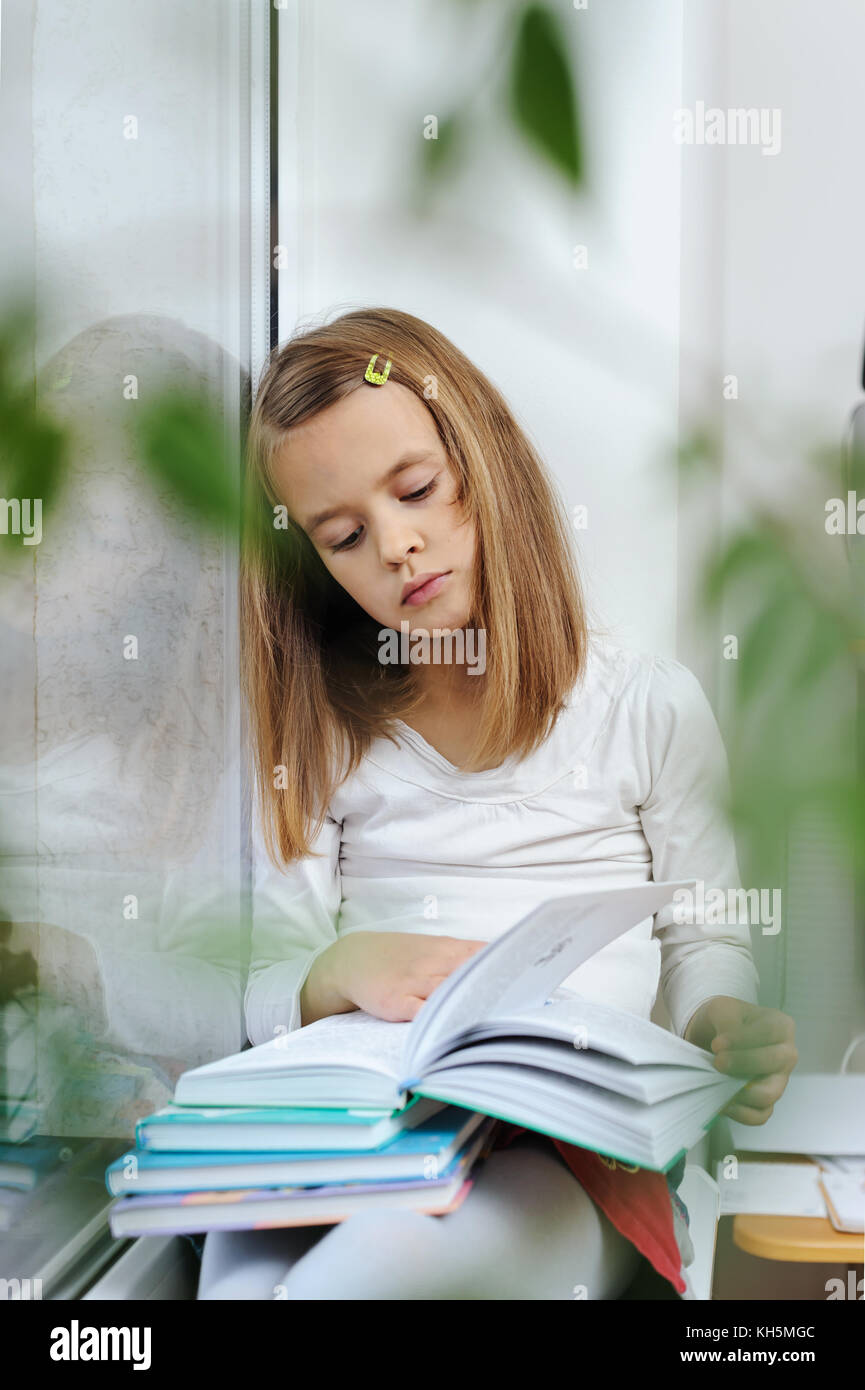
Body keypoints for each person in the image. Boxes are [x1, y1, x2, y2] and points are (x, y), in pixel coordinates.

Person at [197, 306, 797, 1300]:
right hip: (357, 1134)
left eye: (418, 490)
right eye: (343, 537)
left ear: (485, 463)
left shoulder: (644, 708)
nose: (397, 545)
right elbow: (260, 982)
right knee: (234, 1280)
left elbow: (705, 939)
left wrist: (718, 1021)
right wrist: (336, 967)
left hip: (567, 1156)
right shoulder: (321, 738)